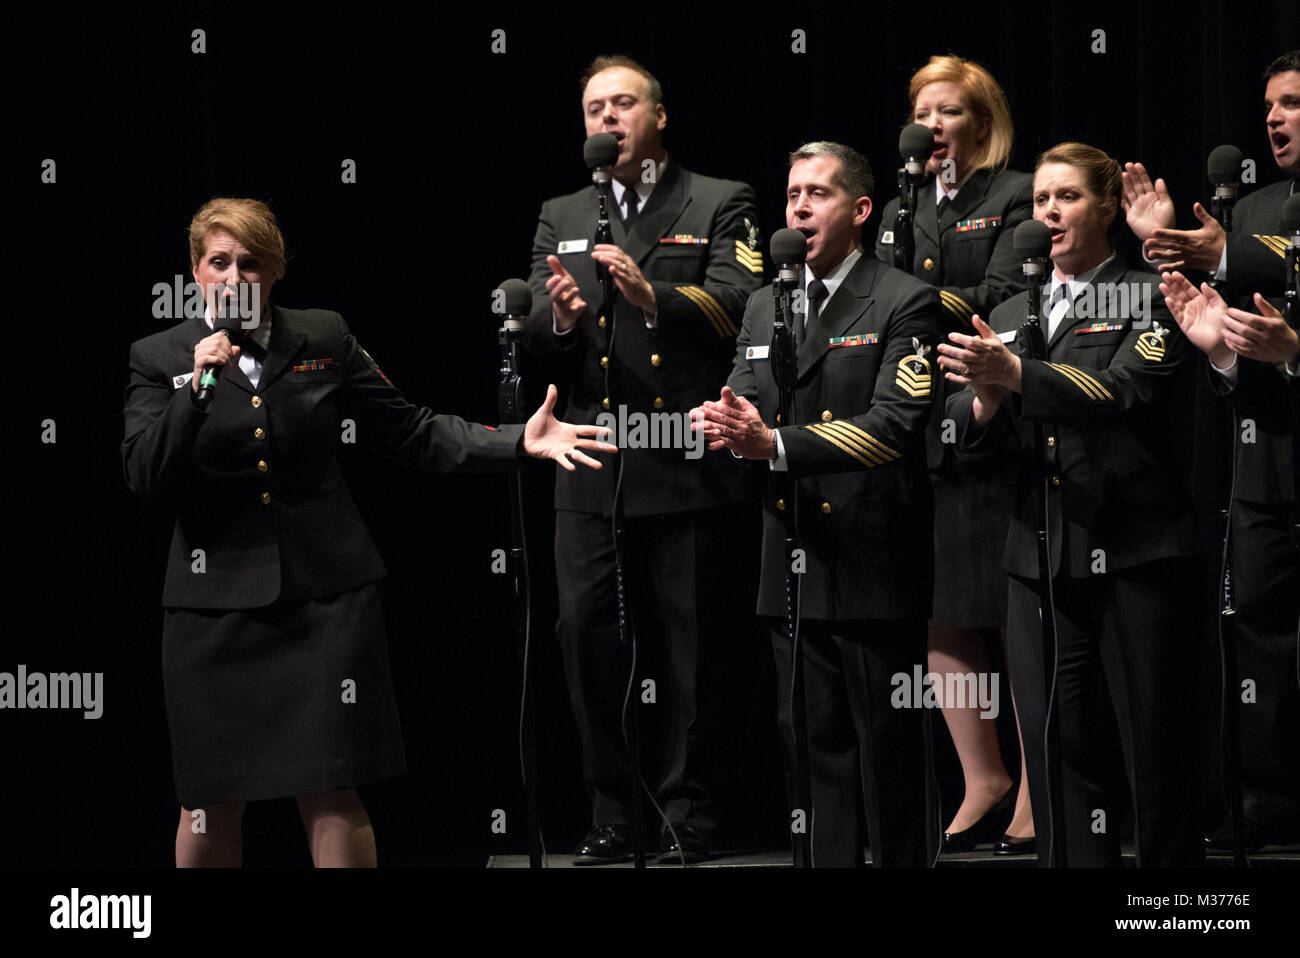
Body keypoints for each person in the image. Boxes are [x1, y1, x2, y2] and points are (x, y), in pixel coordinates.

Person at [122, 197, 614, 867]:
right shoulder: (160, 356)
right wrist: (198, 387)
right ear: (194, 270)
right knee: (209, 801)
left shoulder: (322, 336)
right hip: (212, 613)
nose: (235, 277)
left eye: (252, 263)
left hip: (325, 598)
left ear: (274, 273)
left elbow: (411, 431)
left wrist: (514, 442)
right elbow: (145, 473)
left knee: (331, 789)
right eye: (219, 262)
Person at [524, 55, 763, 865]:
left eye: (623, 104)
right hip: (592, 454)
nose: (608, 119)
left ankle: (686, 815)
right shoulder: (561, 210)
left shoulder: (718, 198)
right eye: (594, 108)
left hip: (685, 453)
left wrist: (653, 295)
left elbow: (741, 303)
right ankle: (612, 811)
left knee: (691, 650)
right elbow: (531, 325)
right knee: (584, 634)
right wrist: (556, 322)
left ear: (658, 116)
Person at [941, 143, 1205, 867]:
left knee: (1152, 747)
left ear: (1108, 208)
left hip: (1135, 551)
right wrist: (988, 403)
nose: (1048, 213)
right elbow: (957, 435)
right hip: (1036, 554)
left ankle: (1171, 908)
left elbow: (1122, 391)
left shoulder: (1147, 292)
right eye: (1039, 201)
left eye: (1067, 198)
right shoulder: (1007, 309)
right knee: (1059, 744)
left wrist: (1018, 374)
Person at [693, 141, 941, 867]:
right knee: (811, 752)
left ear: (860, 210)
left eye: (818, 194)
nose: (798, 206)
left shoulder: (903, 299)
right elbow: (743, 391)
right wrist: (730, 426)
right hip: (790, 560)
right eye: (793, 193)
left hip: (872, 560)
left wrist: (772, 444)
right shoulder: (768, 301)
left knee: (887, 754)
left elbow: (895, 426)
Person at [1125, 50, 1300, 850]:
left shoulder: (1244, 232)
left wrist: (1289, 343)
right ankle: (1264, 804)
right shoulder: (1256, 203)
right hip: (1267, 468)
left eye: (1293, 103)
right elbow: (1235, 340)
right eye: (1269, 105)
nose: (1274, 119)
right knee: (1258, 637)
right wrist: (1222, 351)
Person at [874, 53, 1035, 855]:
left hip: (993, 416)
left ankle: (1039, 783)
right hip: (915, 424)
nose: (934, 127)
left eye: (950, 113)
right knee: (942, 608)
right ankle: (985, 779)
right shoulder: (901, 204)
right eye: (924, 112)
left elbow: (1006, 297)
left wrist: (903, 300)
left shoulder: (1013, 195)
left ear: (983, 122)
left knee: (1010, 609)